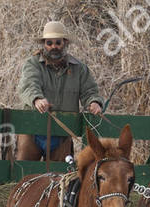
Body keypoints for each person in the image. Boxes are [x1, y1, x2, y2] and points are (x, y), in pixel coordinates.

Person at [16, 18, 103, 162]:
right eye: (49, 43)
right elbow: (28, 85)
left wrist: (94, 102)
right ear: (44, 44)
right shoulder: (33, 64)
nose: (53, 47)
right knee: (23, 175)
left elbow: (90, 91)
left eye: (58, 42)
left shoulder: (79, 69)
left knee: (61, 180)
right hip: (32, 131)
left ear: (65, 43)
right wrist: (36, 99)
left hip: (62, 134)